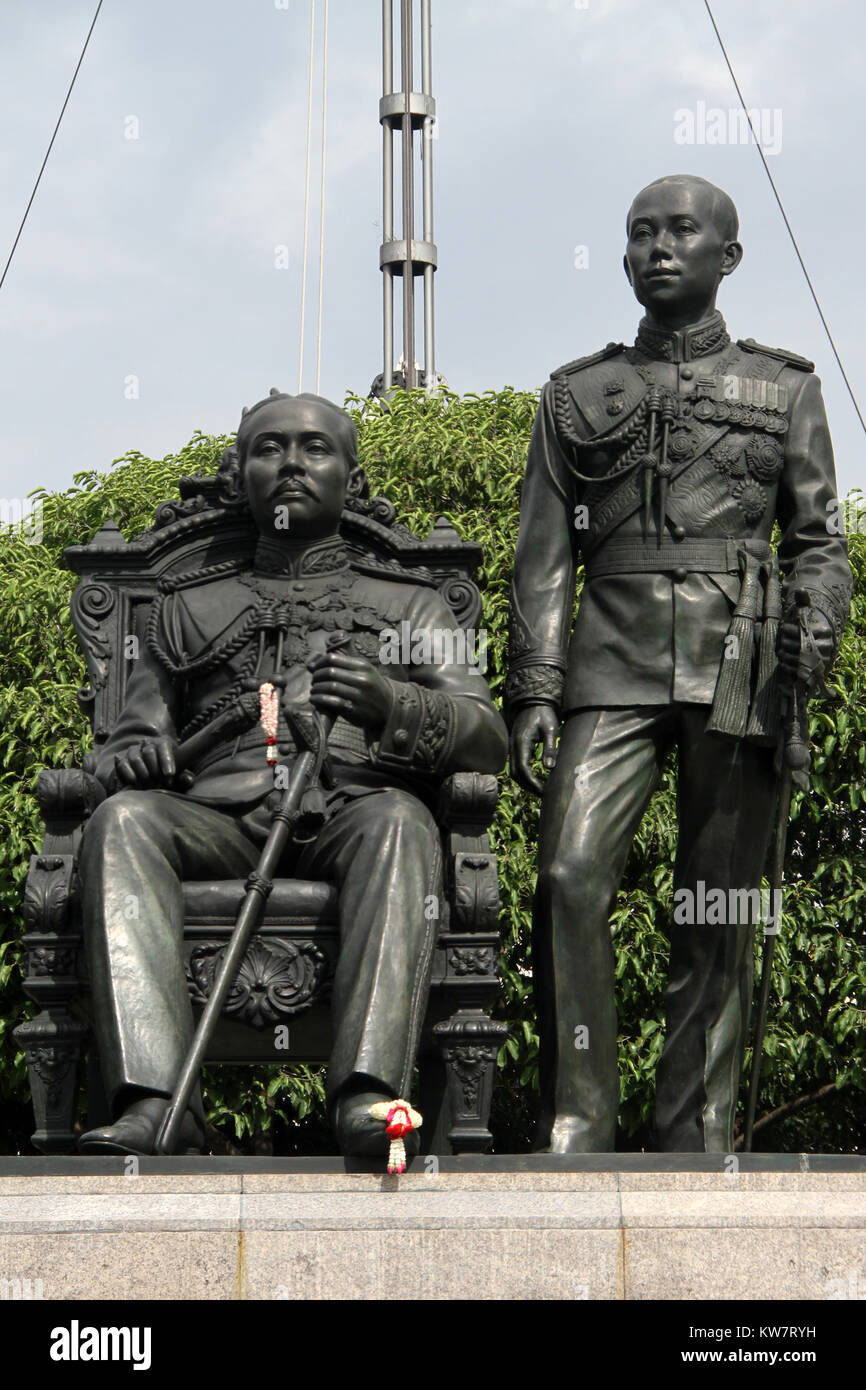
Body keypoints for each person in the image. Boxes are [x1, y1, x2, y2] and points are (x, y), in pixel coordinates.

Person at [506, 175, 852, 1153]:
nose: (657, 248)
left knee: (715, 904)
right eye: (638, 234)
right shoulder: (574, 393)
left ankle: (695, 1120)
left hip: (736, 661)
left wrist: (813, 627)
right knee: (567, 876)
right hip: (606, 662)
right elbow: (542, 556)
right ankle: (578, 1110)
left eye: (679, 232)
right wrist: (533, 687)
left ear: (725, 256)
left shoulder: (782, 387)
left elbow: (817, 540)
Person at [77, 390, 507, 1157]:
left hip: (353, 806)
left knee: (403, 822)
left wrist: (391, 702)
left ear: (350, 472)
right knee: (121, 820)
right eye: (269, 448)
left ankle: (367, 1096)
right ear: (239, 471)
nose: (291, 464)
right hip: (221, 817)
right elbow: (130, 740)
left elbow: (486, 737)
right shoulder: (182, 607)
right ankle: (154, 1101)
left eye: (314, 449)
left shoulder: (410, 607)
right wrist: (134, 758)